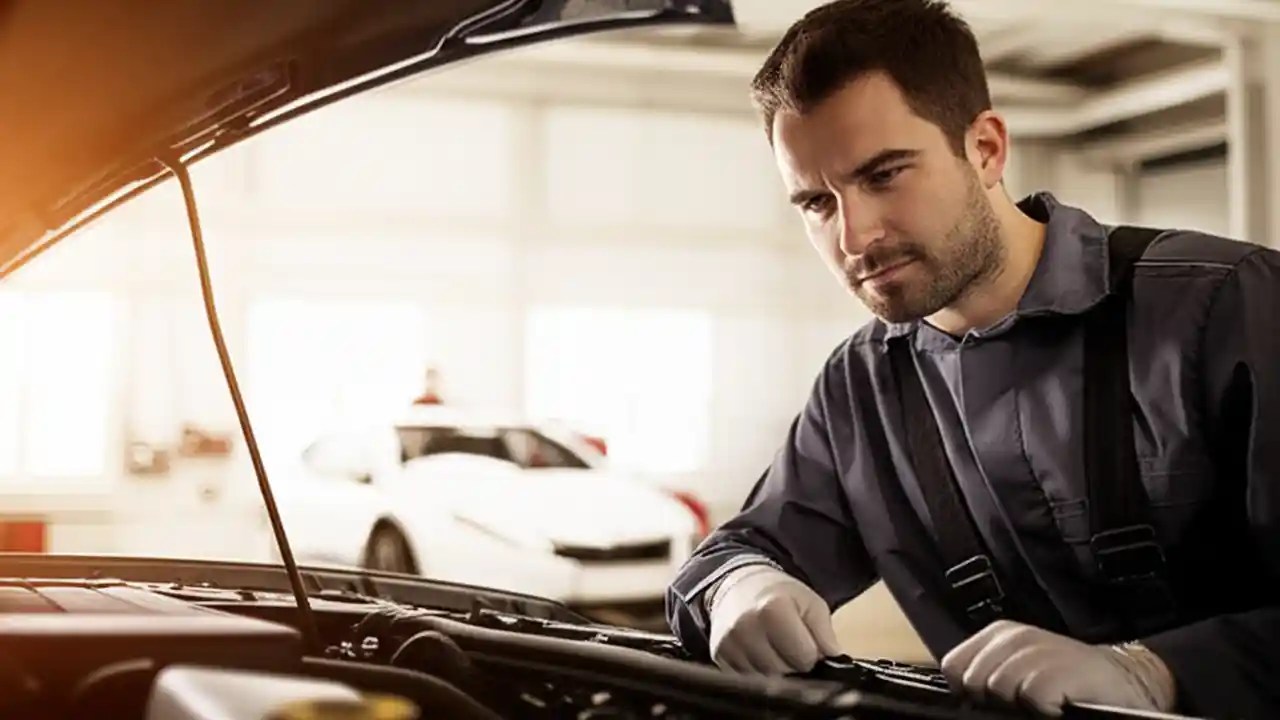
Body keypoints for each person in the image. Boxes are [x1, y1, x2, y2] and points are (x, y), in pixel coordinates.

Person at [664, 1, 1280, 718]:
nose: (855, 235)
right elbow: (736, 552)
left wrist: (1160, 674)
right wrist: (739, 584)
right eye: (816, 203)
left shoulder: (1231, 307)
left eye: (884, 175)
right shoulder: (861, 386)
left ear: (986, 148)